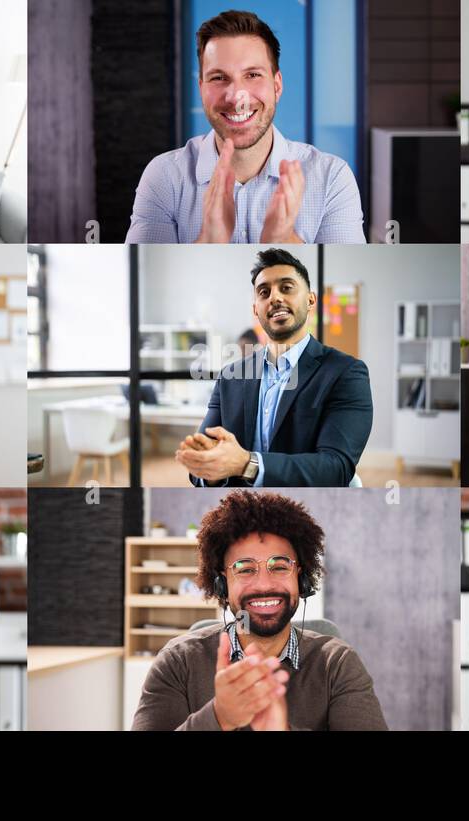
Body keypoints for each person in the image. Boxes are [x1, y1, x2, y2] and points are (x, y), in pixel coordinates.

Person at [131, 491, 388, 731]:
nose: (264, 585)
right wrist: (219, 716)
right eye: (244, 569)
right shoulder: (178, 662)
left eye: (279, 566)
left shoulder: (338, 664)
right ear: (222, 585)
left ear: (301, 579)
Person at [126, 9, 364, 243]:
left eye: (252, 75)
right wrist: (209, 243)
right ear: (201, 88)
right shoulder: (164, 177)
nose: (237, 97)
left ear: (277, 86)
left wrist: (284, 240)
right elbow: (148, 280)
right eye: (219, 78)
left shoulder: (331, 178)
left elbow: (344, 280)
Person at [175, 248, 371, 487]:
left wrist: (247, 464)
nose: (275, 298)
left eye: (286, 288)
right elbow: (200, 469)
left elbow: (336, 467)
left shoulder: (346, 373)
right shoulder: (230, 377)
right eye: (264, 292)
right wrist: (208, 465)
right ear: (255, 309)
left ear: (311, 300)